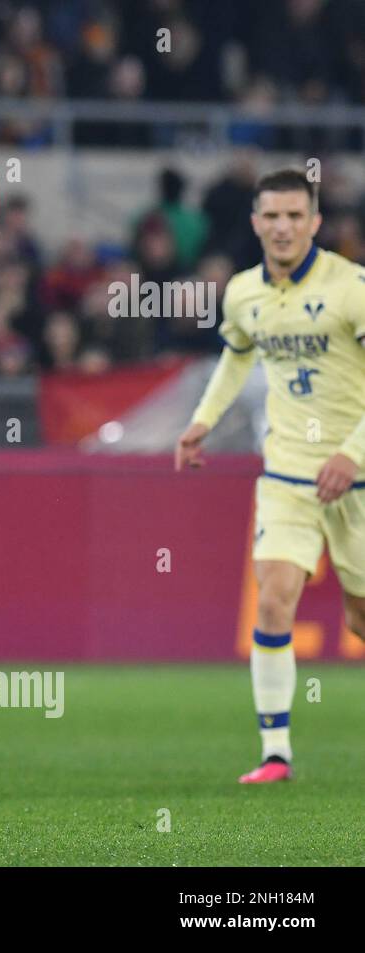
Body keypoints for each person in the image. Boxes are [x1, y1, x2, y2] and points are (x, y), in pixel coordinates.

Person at [176, 170, 365, 784]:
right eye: (271, 217)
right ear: (256, 222)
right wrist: (202, 421)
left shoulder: (352, 287)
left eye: (294, 216)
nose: (282, 227)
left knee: (361, 619)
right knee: (276, 597)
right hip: (286, 474)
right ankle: (276, 753)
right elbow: (237, 355)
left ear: (314, 222)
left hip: (356, 478)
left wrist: (352, 455)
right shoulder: (242, 293)